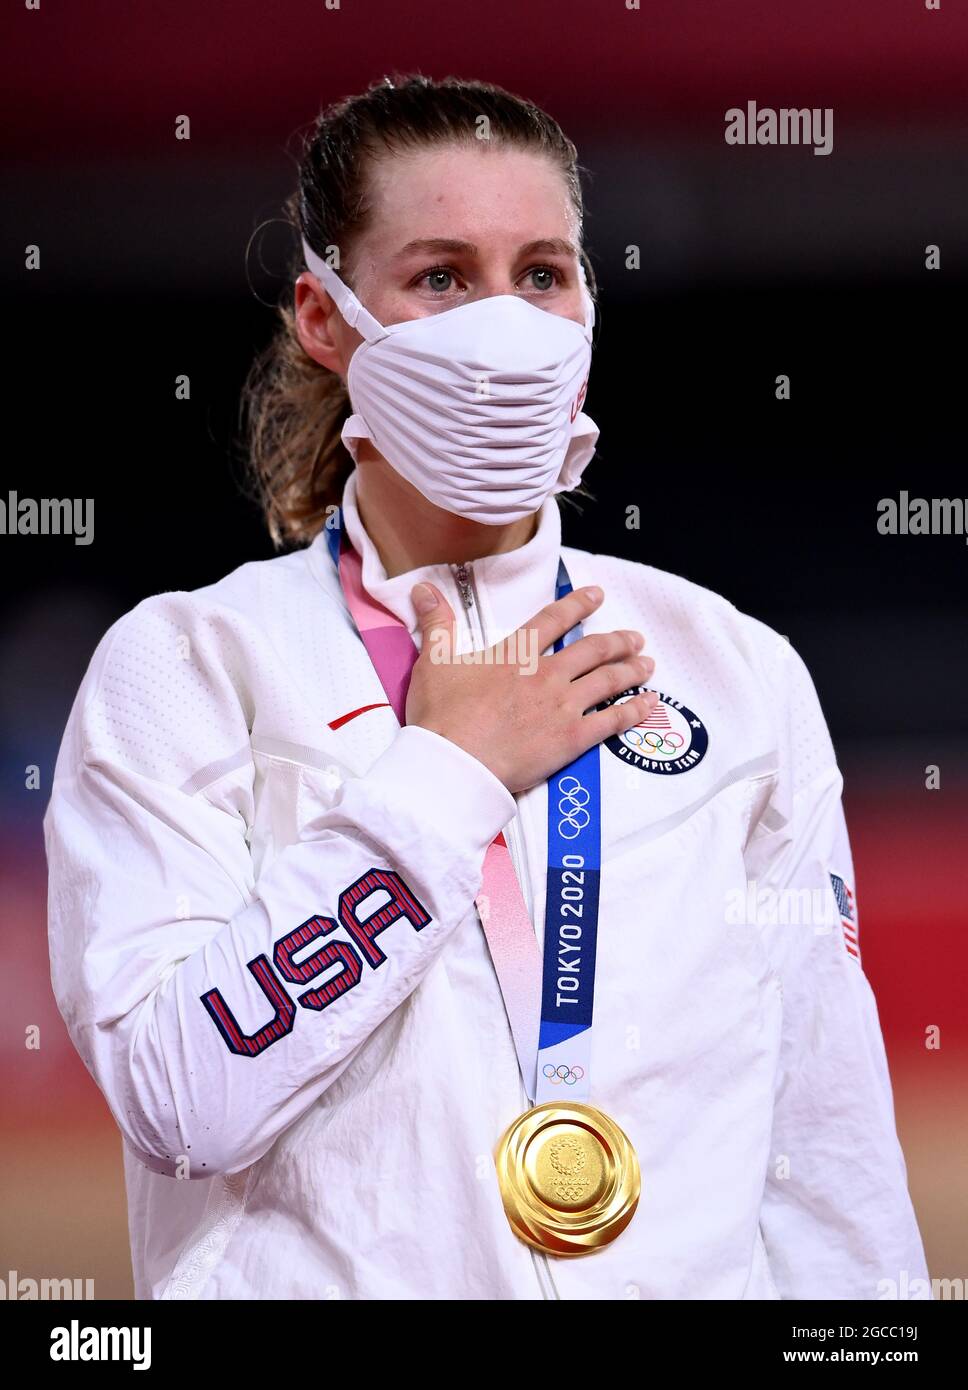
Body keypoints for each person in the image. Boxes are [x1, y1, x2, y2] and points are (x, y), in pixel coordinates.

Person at [44, 73, 930, 1301]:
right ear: (324, 316)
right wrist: (441, 781)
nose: (502, 324)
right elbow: (179, 1096)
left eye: (542, 274)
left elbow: (826, 1151)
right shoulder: (189, 668)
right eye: (442, 276)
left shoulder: (730, 663)